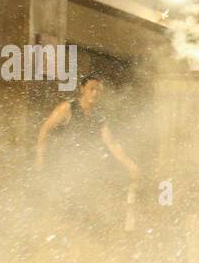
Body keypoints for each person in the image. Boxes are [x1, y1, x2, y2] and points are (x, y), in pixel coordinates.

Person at [35, 76, 139, 236]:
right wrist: (40, 159)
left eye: (98, 90)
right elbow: (45, 129)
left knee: (81, 210)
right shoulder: (67, 108)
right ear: (82, 89)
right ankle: (52, 240)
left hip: (82, 168)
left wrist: (129, 164)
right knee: (59, 209)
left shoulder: (98, 116)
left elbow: (111, 143)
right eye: (92, 88)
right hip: (61, 164)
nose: (95, 93)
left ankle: (74, 242)